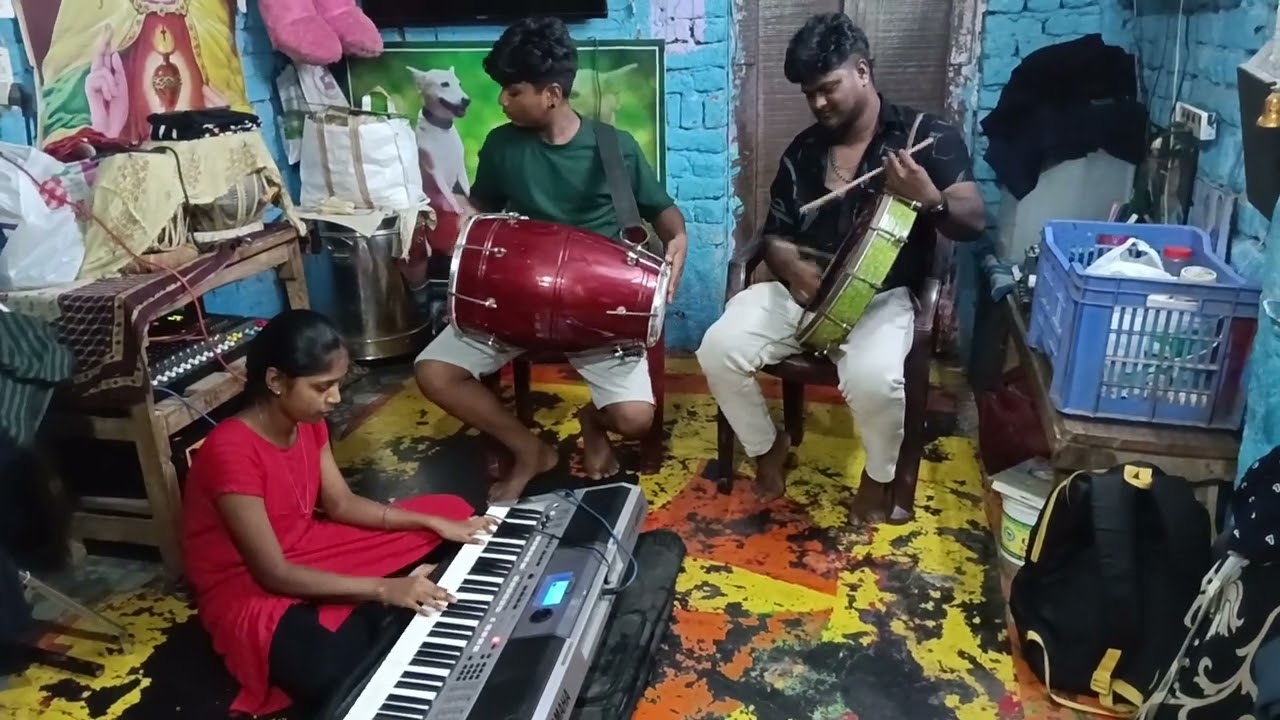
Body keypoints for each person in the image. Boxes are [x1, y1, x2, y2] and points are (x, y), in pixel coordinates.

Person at [696, 13, 985, 522]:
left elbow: (973, 219)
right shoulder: (804, 150)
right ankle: (767, 446)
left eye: (828, 88)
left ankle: (878, 477)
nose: (818, 103)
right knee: (717, 348)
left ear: (863, 71)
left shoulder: (925, 136)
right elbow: (774, 234)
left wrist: (931, 200)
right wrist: (790, 266)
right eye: (809, 94)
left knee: (875, 379)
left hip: (882, 297)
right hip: (804, 292)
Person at [413, 17, 689, 502]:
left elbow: (663, 213)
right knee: (433, 371)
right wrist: (439, 216)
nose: (502, 101)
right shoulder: (501, 145)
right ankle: (530, 450)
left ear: (552, 94)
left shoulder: (614, 147)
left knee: (634, 419)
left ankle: (594, 422)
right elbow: (479, 211)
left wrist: (678, 239)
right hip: (516, 304)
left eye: (513, 90)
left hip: (597, 313)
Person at [181, 309, 498, 718]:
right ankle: (379, 605)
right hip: (247, 584)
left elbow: (342, 505)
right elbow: (272, 573)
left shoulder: (307, 420)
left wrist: (431, 521)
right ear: (275, 381)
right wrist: (384, 589)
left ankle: (374, 607)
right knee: (332, 671)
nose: (335, 398)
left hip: (306, 545)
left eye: (337, 384)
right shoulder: (230, 450)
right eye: (322, 387)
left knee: (451, 509)